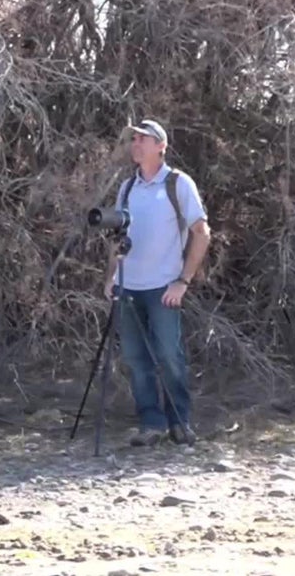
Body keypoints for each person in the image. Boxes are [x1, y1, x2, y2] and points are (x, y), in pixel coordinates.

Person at [102, 119, 211, 447]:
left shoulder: (178, 184)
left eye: (143, 139)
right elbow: (117, 237)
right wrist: (111, 277)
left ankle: (180, 423)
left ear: (161, 146)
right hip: (128, 287)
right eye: (134, 139)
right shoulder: (127, 188)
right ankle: (152, 424)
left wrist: (182, 281)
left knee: (169, 356)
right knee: (136, 359)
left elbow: (201, 233)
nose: (136, 144)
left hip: (164, 287)